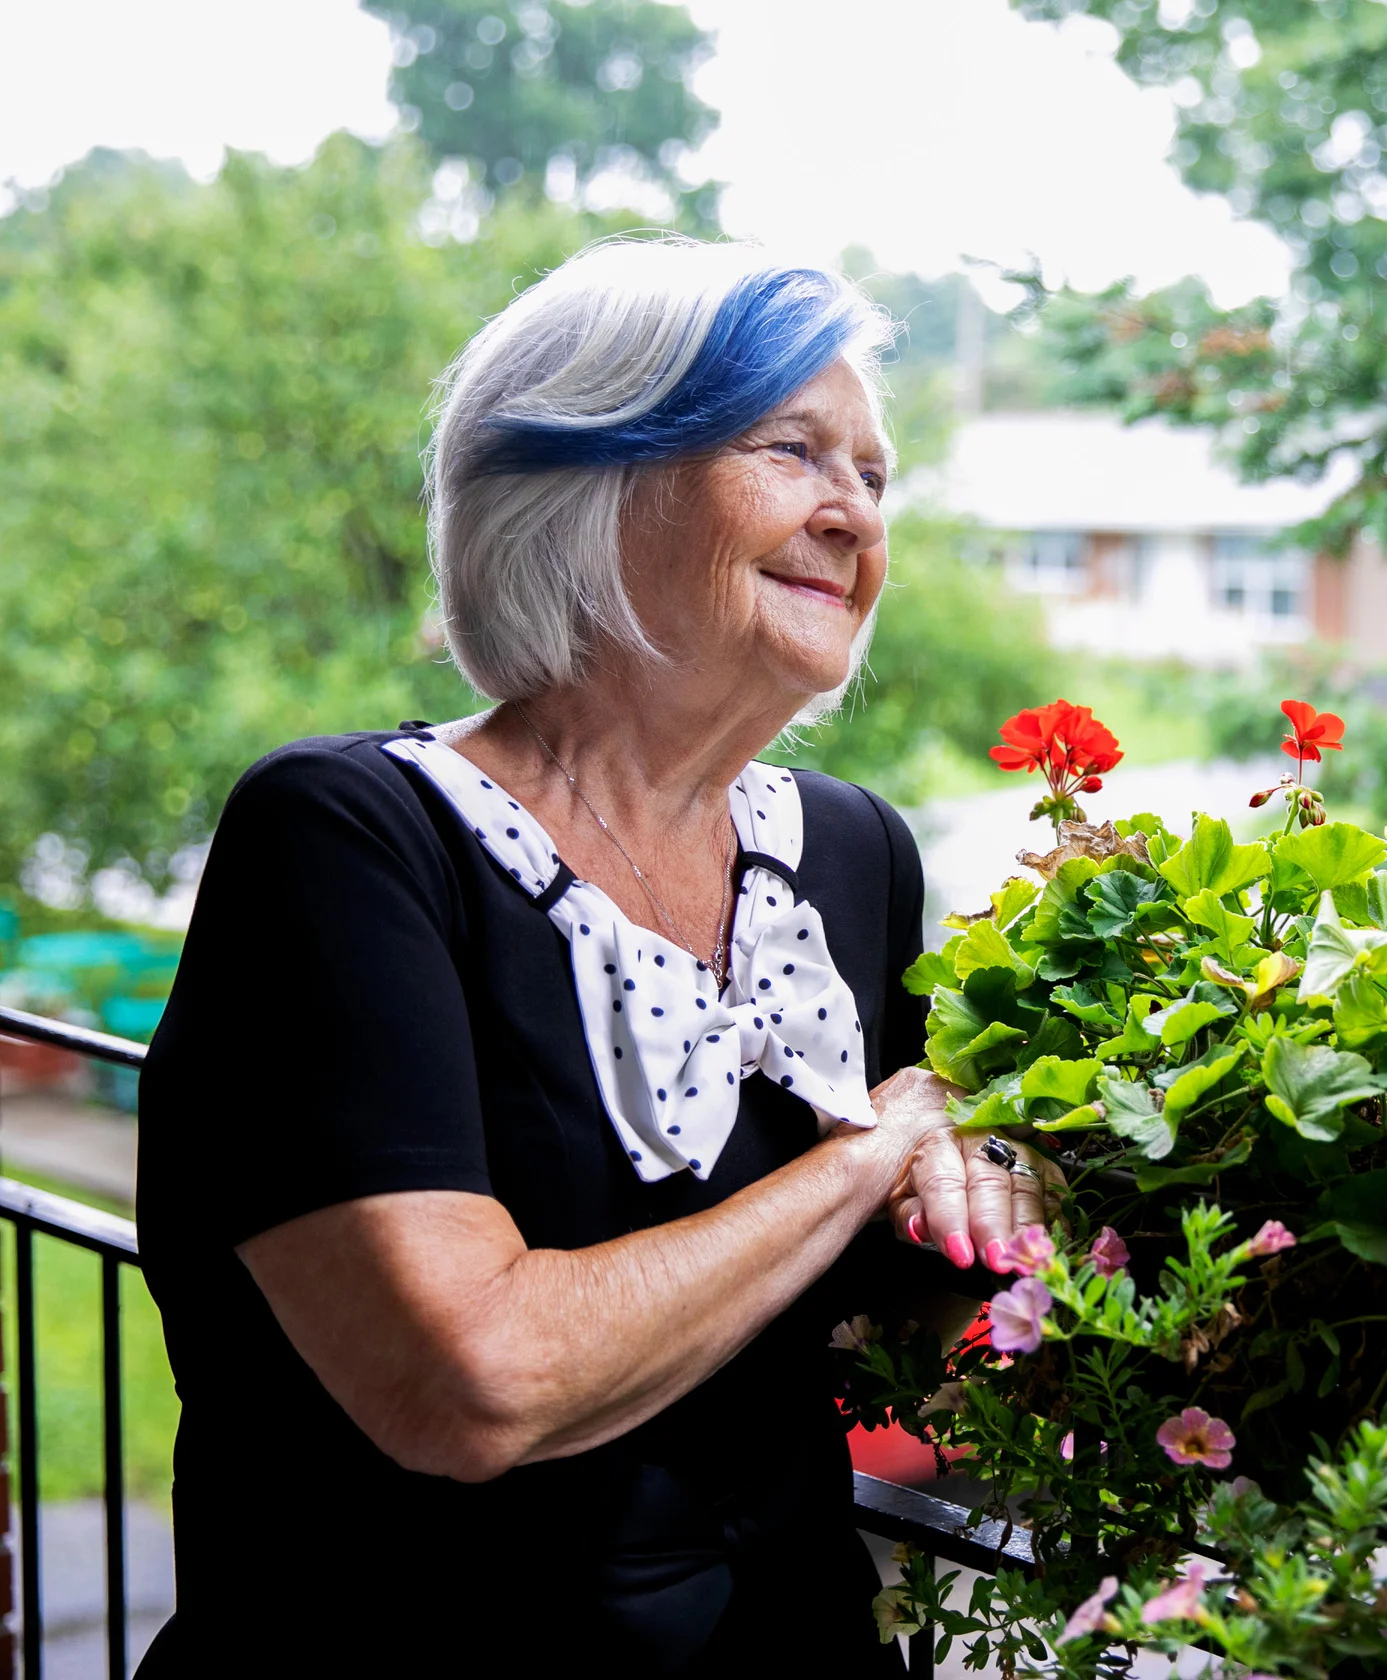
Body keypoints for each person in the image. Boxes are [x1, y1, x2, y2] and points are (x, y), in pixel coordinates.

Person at [135, 235, 1040, 1676]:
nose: (854, 519)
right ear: (590, 481)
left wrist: (996, 1173)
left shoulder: (854, 854)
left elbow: (866, 1302)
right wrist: (874, 1150)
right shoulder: (348, 838)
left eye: (874, 477)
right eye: (793, 451)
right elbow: (473, 1384)